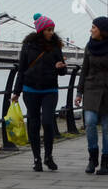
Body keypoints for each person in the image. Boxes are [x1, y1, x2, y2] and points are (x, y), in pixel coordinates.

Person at [12, 15, 68, 171]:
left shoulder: (56, 46)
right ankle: (36, 158)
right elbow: (21, 69)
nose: (51, 33)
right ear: (41, 30)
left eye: (52, 30)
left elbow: (63, 71)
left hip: (50, 89)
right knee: (33, 123)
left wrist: (61, 67)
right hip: (30, 89)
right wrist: (17, 91)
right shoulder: (28, 46)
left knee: (48, 122)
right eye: (48, 30)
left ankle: (48, 156)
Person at [76, 15, 108, 175]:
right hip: (92, 88)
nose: (91, 30)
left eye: (94, 27)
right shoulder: (89, 46)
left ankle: (106, 163)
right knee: (90, 122)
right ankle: (92, 158)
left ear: (102, 31)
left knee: (107, 126)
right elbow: (84, 69)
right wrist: (79, 92)